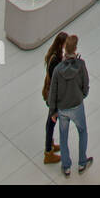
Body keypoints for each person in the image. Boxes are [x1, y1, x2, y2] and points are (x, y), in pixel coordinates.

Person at [48, 34, 93, 176]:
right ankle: (81, 162)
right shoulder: (81, 65)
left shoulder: (58, 70)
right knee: (82, 131)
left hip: (62, 108)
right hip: (77, 105)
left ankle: (66, 166)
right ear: (75, 49)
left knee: (63, 136)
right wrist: (82, 95)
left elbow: (53, 92)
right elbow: (85, 84)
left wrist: (52, 111)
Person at [41, 31, 68, 164]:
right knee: (51, 122)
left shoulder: (54, 56)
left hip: (51, 94)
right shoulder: (55, 60)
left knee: (50, 122)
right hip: (54, 96)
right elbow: (57, 79)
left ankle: (50, 145)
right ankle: (48, 152)